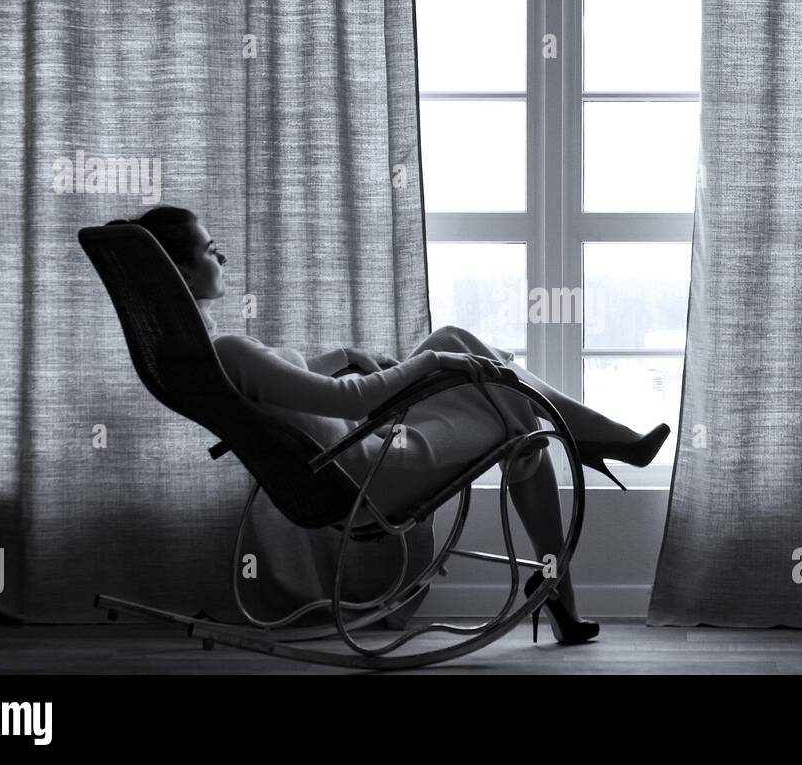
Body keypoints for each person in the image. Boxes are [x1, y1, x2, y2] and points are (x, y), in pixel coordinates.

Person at [111, 206, 671, 645]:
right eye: (212, 250)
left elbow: (300, 386)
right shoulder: (231, 350)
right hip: (376, 471)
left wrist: (347, 351)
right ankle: (585, 494)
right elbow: (339, 398)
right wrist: (426, 368)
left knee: (456, 341)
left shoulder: (214, 356)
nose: (223, 257)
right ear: (181, 271)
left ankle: (583, 501)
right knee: (507, 403)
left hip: (360, 450)